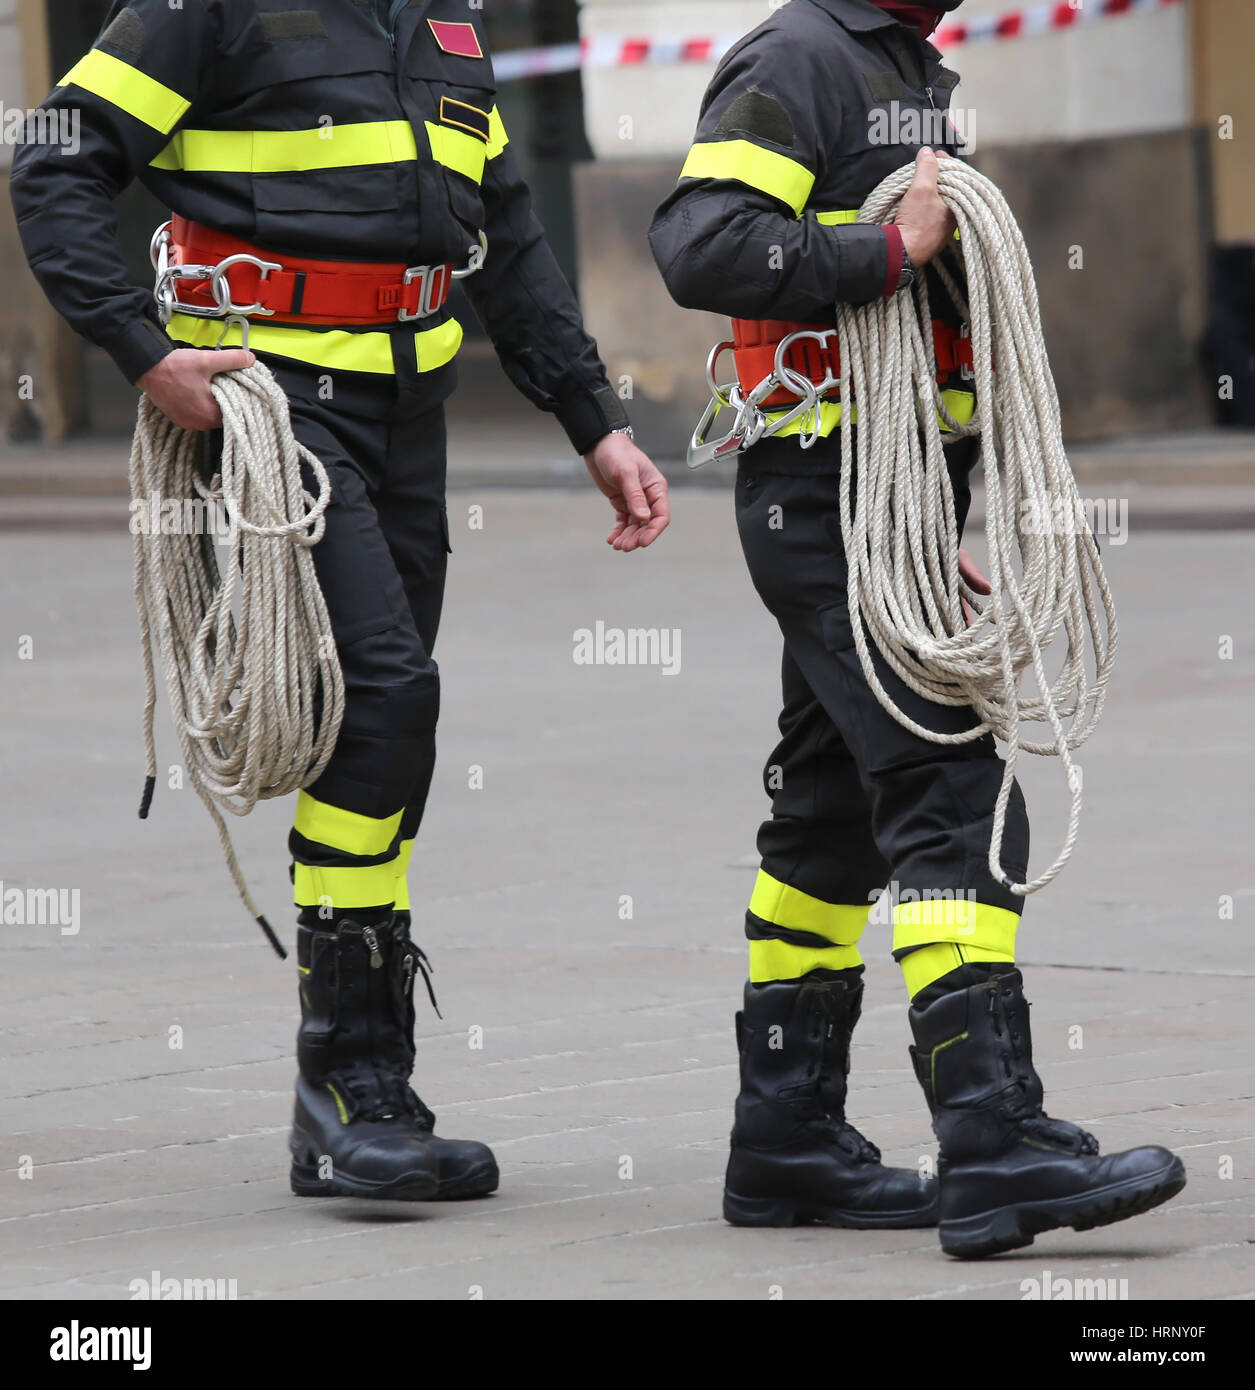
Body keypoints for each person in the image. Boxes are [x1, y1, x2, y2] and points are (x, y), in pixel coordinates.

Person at [12, 0, 669, 1204]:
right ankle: (352, 1078)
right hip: (272, 406)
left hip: (404, 419)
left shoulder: (448, 25)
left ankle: (354, 1094)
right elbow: (54, 156)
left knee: (383, 730)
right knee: (387, 689)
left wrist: (595, 423)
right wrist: (141, 352)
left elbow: (507, 240)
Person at [648, 0, 1184, 1256]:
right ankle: (991, 1140)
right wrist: (884, 254)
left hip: (875, 503)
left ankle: (783, 1138)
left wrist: (926, 511)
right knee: (954, 792)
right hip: (820, 496)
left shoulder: (905, 71)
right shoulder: (796, 62)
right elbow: (699, 244)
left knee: (830, 819)